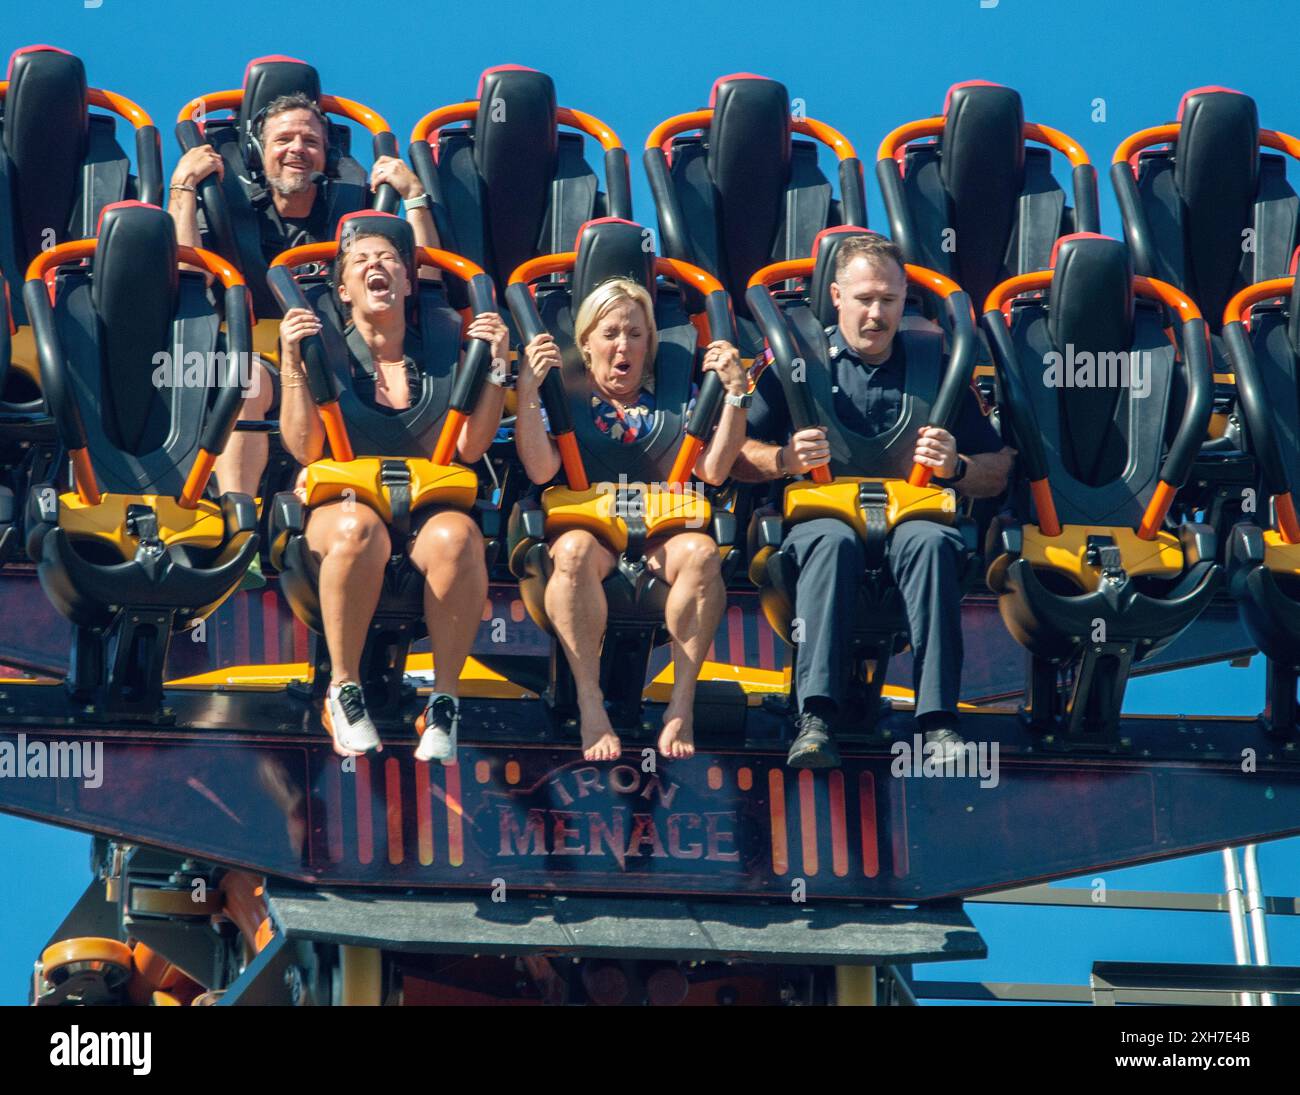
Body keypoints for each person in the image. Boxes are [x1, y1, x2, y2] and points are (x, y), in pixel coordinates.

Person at [732, 234, 1015, 769]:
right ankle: (814, 716)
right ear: (836, 296)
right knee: (831, 542)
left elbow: (998, 469)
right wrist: (785, 460)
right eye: (864, 299)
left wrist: (957, 466)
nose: (876, 313)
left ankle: (937, 722)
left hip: (913, 520)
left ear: (905, 298)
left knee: (934, 543)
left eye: (889, 299)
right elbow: (734, 455)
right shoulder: (794, 360)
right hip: (821, 521)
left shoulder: (939, 363)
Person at [167, 93, 441, 584]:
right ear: (257, 151)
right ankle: (239, 525)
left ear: (328, 154)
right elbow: (188, 275)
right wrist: (184, 187)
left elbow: (426, 279)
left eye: (310, 141)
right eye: (284, 139)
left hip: (341, 354)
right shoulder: (228, 204)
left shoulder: (352, 207)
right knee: (246, 378)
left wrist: (414, 196)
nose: (297, 150)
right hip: (253, 351)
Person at [277, 225, 508, 762]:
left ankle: (444, 700)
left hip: (427, 507)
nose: (375, 265)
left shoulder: (447, 349)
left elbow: (471, 448)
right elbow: (306, 448)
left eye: (389, 259)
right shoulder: (322, 346)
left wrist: (496, 366)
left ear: (408, 282)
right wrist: (292, 360)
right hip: (346, 510)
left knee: (458, 537)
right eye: (360, 261)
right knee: (359, 530)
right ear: (342, 289)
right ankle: (344, 689)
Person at [514, 278, 749, 761]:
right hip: (588, 532)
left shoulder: (675, 401)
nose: (624, 345)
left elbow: (715, 470)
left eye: (636, 334)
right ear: (585, 344)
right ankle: (589, 700)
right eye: (611, 333)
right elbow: (540, 469)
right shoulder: (564, 396)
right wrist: (528, 390)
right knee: (575, 550)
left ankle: (680, 703)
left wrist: (734, 396)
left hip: (660, 529)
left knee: (704, 553)